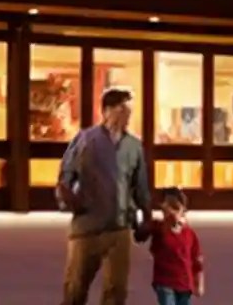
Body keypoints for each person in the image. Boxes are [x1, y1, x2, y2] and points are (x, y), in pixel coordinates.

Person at [56, 88, 152, 305]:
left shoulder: (134, 146)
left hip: (120, 227)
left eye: (129, 110)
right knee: (75, 287)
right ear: (107, 111)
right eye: (122, 109)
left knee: (116, 290)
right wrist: (66, 199)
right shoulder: (85, 139)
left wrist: (146, 215)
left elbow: (140, 185)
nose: (127, 115)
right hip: (87, 225)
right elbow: (66, 176)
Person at [147, 187, 205, 305]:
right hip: (165, 282)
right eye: (167, 208)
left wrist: (199, 283)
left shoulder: (189, 234)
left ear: (183, 210)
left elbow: (197, 260)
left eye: (175, 208)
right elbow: (153, 249)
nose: (172, 212)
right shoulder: (159, 230)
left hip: (185, 283)